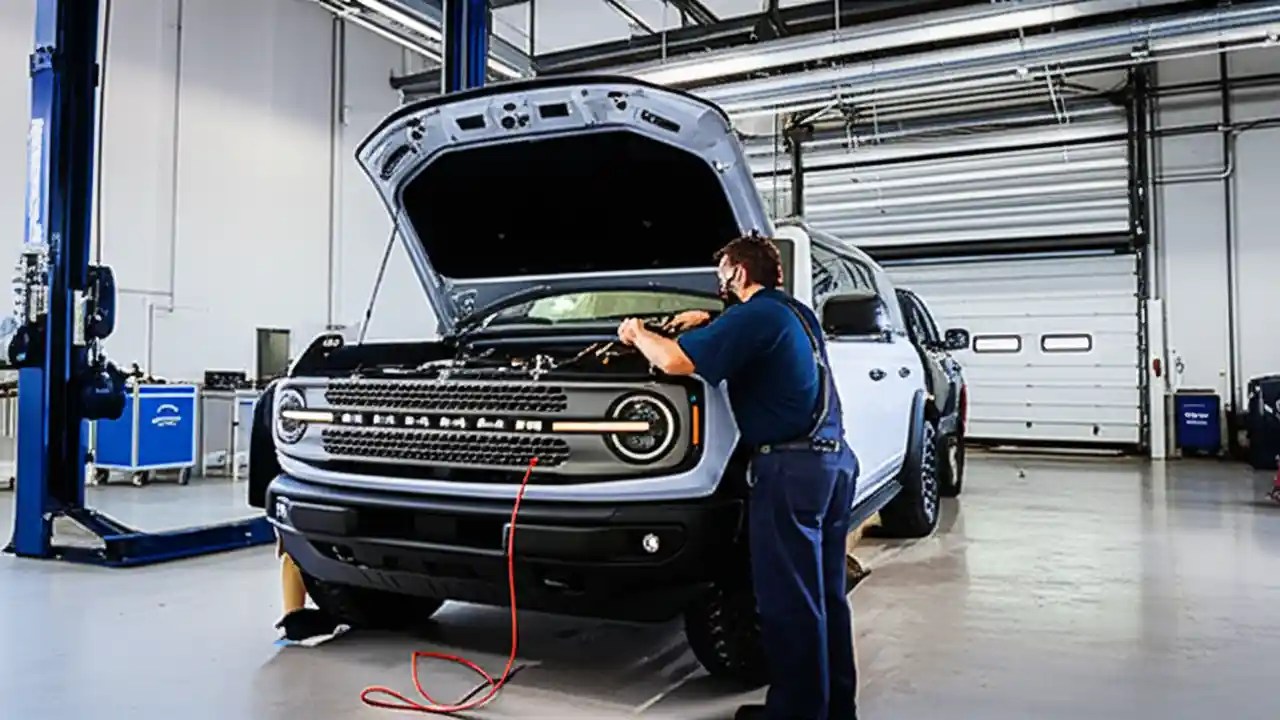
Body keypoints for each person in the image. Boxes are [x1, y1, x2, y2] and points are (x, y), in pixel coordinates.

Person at [617, 235, 860, 720]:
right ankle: (834, 708)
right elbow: (750, 339)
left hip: (789, 470)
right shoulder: (793, 314)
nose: (719, 283)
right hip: (833, 465)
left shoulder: (755, 317)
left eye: (722, 274)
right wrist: (709, 321)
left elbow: (674, 361)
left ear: (740, 274)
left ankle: (793, 714)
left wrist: (637, 332)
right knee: (826, 597)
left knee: (788, 601)